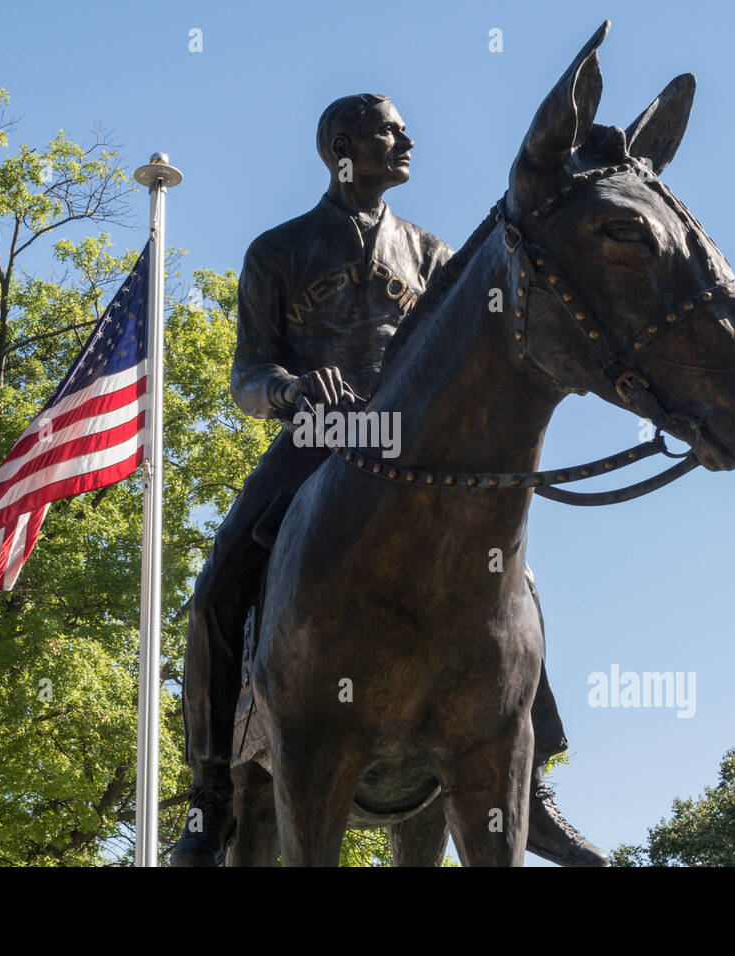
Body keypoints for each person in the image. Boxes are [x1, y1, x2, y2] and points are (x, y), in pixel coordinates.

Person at [172, 93, 607, 867]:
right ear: (343, 144)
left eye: (404, 130)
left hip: (417, 452)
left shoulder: (434, 256)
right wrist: (292, 389)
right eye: (387, 131)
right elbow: (246, 375)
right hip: (316, 441)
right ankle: (210, 794)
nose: (407, 140)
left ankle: (530, 788)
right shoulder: (278, 251)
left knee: (512, 582)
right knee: (219, 583)